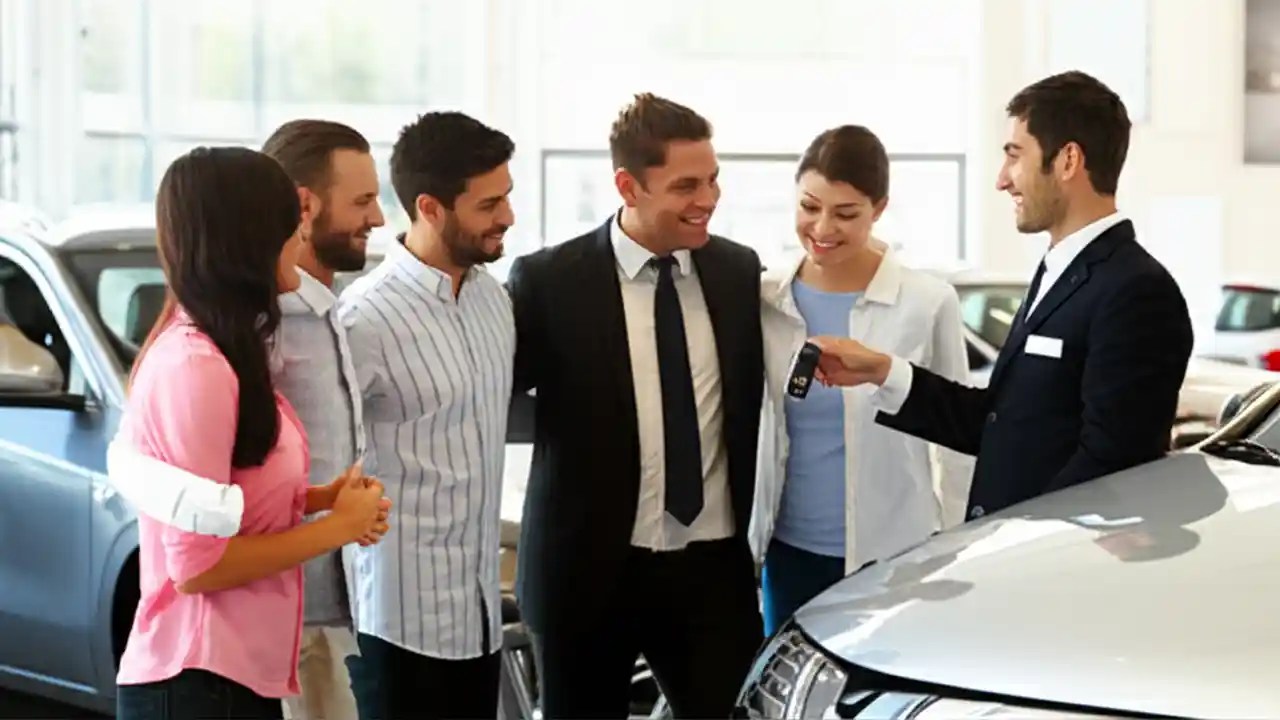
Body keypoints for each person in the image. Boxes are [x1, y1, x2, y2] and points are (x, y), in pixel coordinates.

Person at [811, 71, 1195, 520]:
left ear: (1068, 160)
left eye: (1015, 156)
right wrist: (881, 370)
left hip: (1050, 570)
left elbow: (1112, 469)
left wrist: (1015, 542)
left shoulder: (1137, 290)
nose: (1002, 180)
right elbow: (1003, 422)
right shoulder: (1059, 269)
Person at [507, 92, 764, 718]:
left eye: (712, 180)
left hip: (711, 574)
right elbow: (496, 400)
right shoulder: (548, 281)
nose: (707, 200)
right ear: (628, 185)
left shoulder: (736, 271)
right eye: (685, 186)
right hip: (588, 573)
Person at [112, 147, 389, 720]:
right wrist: (336, 528)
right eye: (291, 225)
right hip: (196, 680)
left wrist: (319, 501)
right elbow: (198, 566)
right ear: (252, 239)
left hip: (234, 680)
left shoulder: (228, 353)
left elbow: (225, 504)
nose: (299, 238)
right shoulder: (197, 366)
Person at [749, 125, 974, 637]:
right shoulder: (766, 300)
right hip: (789, 554)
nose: (822, 227)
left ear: (880, 208)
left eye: (846, 213)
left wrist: (960, 546)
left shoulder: (927, 301)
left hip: (898, 552)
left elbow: (959, 439)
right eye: (809, 206)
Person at [337, 111, 516, 720]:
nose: (507, 217)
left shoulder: (496, 301)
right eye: (489, 204)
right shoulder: (365, 319)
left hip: (479, 620)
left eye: (507, 197)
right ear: (430, 207)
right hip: (396, 628)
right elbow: (319, 462)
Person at [261, 118, 386, 720]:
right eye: (362, 201)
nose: (379, 218)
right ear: (305, 206)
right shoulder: (263, 326)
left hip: (339, 609)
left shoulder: (330, 309)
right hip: (285, 622)